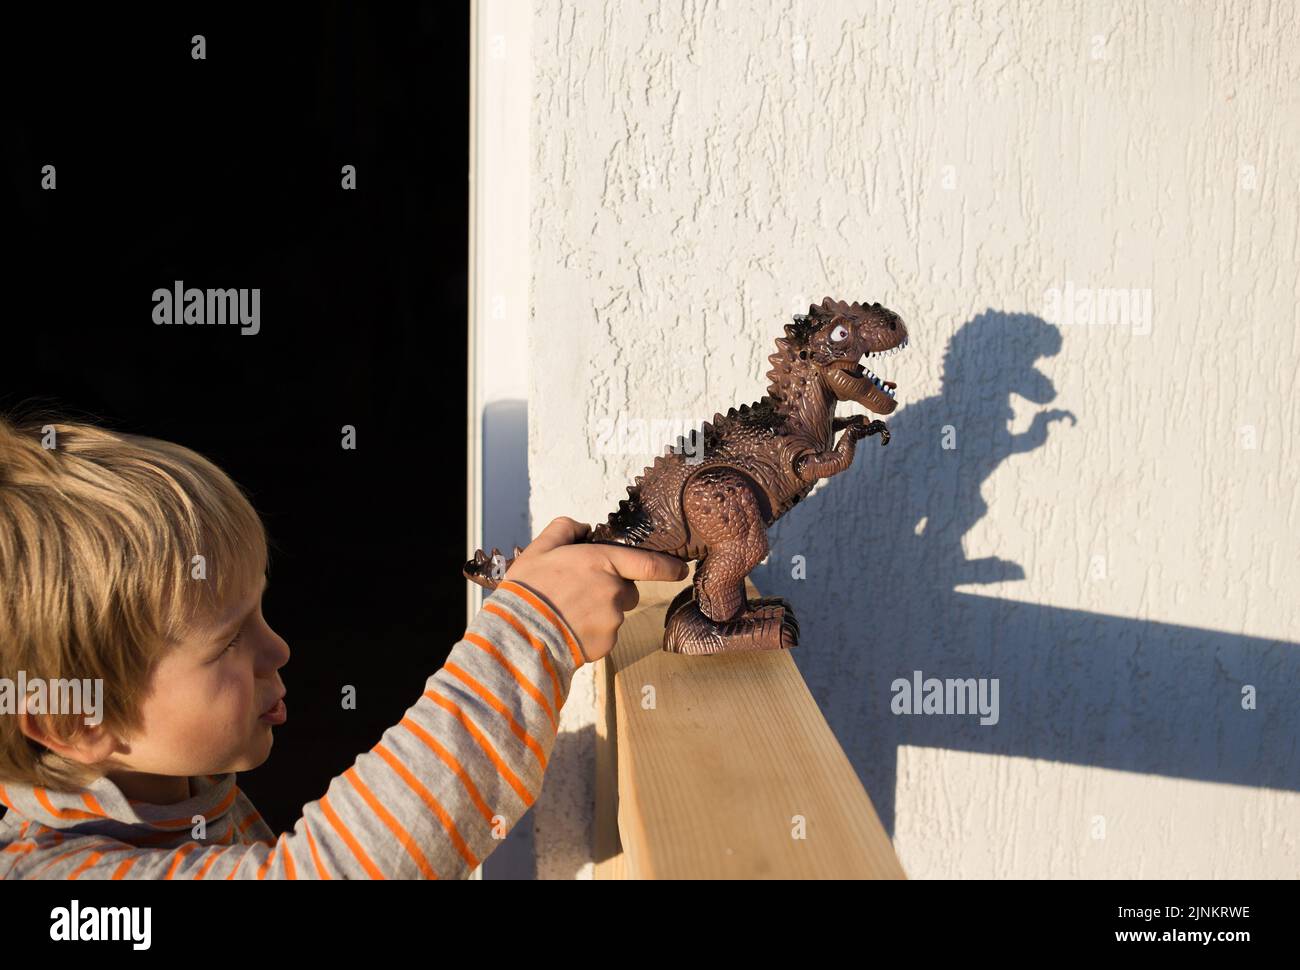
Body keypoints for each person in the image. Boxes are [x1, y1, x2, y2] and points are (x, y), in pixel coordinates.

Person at [0, 413, 685, 878]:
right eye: (228, 641)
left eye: (258, 612)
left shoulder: (173, 794)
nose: (278, 649)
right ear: (78, 721)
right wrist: (531, 635)